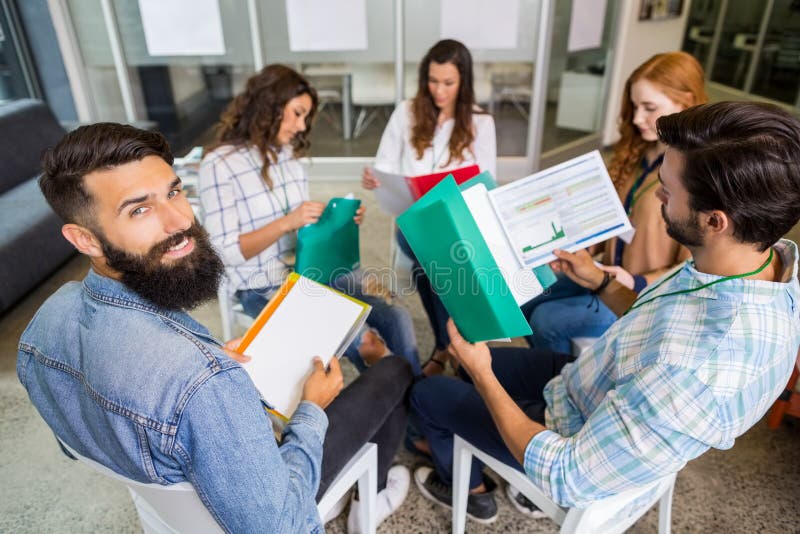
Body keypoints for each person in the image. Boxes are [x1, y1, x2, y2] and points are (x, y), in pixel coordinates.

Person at [409, 101, 800, 524]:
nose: (657, 196)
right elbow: (661, 324)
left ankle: (473, 493)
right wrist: (601, 283)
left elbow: (565, 476)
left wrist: (484, 375)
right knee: (464, 367)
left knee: (427, 395)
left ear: (715, 221)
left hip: (570, 437)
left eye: (668, 191)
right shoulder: (757, 263)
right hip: (591, 380)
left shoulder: (694, 373)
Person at [18, 123, 414, 533]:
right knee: (395, 369)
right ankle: (372, 496)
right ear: (85, 239)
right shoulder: (205, 383)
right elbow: (286, 527)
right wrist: (312, 409)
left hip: (176, 509)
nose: (180, 221)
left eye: (174, 192)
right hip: (278, 503)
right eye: (139, 210)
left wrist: (205, 360)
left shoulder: (42, 329)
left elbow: (77, 442)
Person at [199, 64, 421, 376]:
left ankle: (419, 398)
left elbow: (304, 226)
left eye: (305, 117)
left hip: (315, 269)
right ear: (269, 106)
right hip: (262, 282)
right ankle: (409, 402)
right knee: (365, 340)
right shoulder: (219, 166)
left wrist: (339, 219)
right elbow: (224, 253)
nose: (302, 126)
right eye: (297, 113)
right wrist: (287, 222)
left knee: (397, 316)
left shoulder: (288, 156)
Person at [523, 51, 706, 353]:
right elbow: (608, 220)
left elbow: (695, 267)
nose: (636, 118)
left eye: (649, 108)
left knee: (547, 320)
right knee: (528, 294)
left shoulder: (696, 174)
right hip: (605, 272)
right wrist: (575, 250)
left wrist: (637, 281)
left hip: (642, 293)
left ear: (685, 102)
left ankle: (561, 376)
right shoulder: (637, 152)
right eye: (634, 106)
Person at [362, 39, 497, 373]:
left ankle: (444, 346)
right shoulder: (406, 113)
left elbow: (485, 184)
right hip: (414, 222)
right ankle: (454, 344)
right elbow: (385, 165)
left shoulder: (481, 123)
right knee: (427, 251)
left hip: (458, 224)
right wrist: (376, 179)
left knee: (430, 262)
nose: (439, 91)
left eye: (448, 83)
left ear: (463, 81)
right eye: (433, 81)